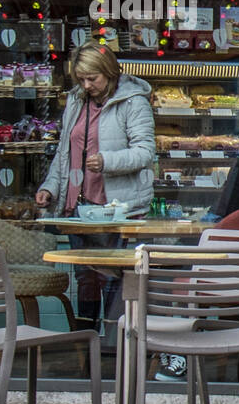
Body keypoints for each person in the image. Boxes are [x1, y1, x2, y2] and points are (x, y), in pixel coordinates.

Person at [36, 44, 155, 328]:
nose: (86, 85)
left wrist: (107, 161)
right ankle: (86, 344)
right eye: (81, 79)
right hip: (79, 208)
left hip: (115, 208)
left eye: (93, 79)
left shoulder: (133, 101)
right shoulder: (76, 101)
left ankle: (116, 347)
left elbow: (146, 151)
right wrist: (50, 187)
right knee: (85, 278)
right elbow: (65, 153)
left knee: (113, 276)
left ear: (109, 73)